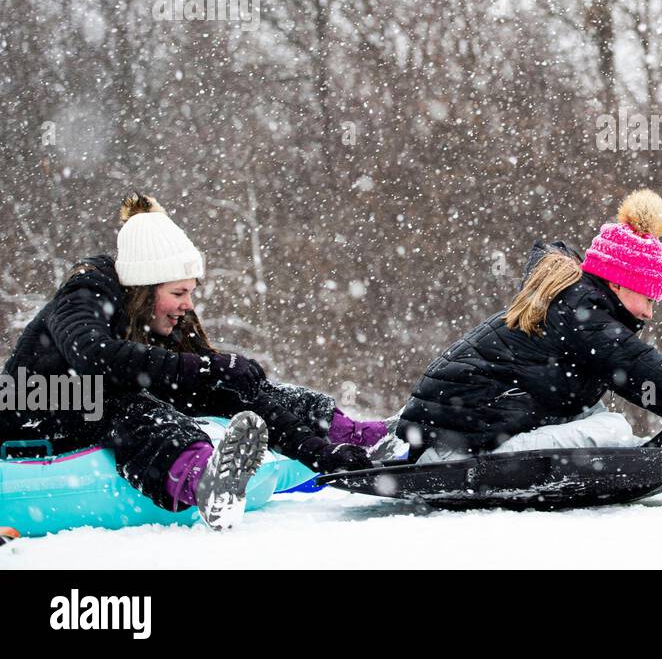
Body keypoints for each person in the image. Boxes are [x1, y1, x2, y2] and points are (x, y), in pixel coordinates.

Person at [0, 194, 382, 530]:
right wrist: (205, 369)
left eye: (191, 292)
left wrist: (317, 453)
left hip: (99, 404)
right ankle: (206, 481)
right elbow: (95, 358)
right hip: (37, 406)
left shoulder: (166, 320)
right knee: (132, 408)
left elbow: (227, 390)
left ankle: (358, 437)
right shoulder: (84, 295)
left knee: (240, 387)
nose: (188, 304)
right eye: (179, 292)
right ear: (146, 287)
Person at [397, 189, 662, 461]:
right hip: (455, 442)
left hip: (447, 426)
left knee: (593, 412)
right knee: (609, 428)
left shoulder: (572, 300)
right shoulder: (586, 319)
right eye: (648, 298)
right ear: (618, 283)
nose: (648, 312)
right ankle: (484, 461)